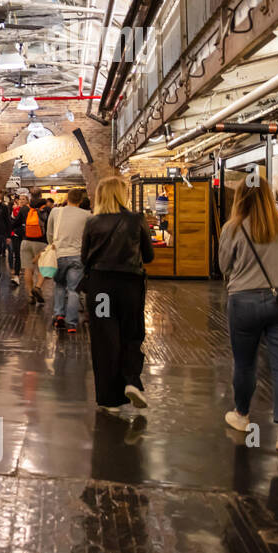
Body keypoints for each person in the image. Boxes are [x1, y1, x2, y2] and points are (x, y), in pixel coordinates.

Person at [219, 174, 278, 449]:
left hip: (244, 301)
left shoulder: (232, 228)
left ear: (241, 197)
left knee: (245, 363)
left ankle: (242, 415)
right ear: (268, 196)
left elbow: (223, 266)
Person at [82, 176, 154, 414]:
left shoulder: (92, 222)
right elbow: (149, 255)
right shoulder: (136, 220)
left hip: (101, 285)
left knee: (105, 338)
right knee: (132, 332)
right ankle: (132, 380)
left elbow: (85, 258)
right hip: (129, 285)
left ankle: (108, 399)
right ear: (122, 194)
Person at [47, 188, 91, 333]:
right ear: (80, 200)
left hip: (59, 254)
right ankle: (71, 323)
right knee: (73, 290)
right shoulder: (87, 215)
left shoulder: (55, 212)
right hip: (77, 256)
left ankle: (59, 315)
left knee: (59, 285)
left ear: (67, 198)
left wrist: (53, 246)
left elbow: (49, 233)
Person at [16, 196, 51, 305]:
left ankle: (30, 295)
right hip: (41, 242)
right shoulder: (47, 210)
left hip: (26, 242)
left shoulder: (25, 210)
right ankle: (37, 287)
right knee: (42, 267)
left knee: (28, 269)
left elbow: (14, 224)